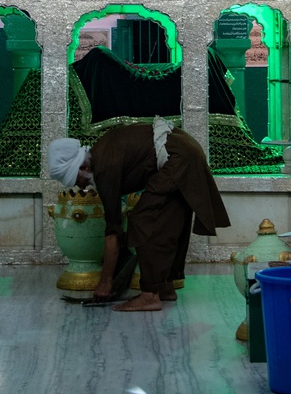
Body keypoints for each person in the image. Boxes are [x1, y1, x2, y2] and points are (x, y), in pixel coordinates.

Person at [48, 118, 230, 313]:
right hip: (185, 151)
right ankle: (164, 287)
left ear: (83, 168)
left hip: (179, 157)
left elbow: (113, 231)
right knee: (170, 219)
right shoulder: (102, 152)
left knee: (141, 220)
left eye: (76, 180)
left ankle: (150, 296)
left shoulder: (104, 169)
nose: (79, 186)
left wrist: (105, 282)